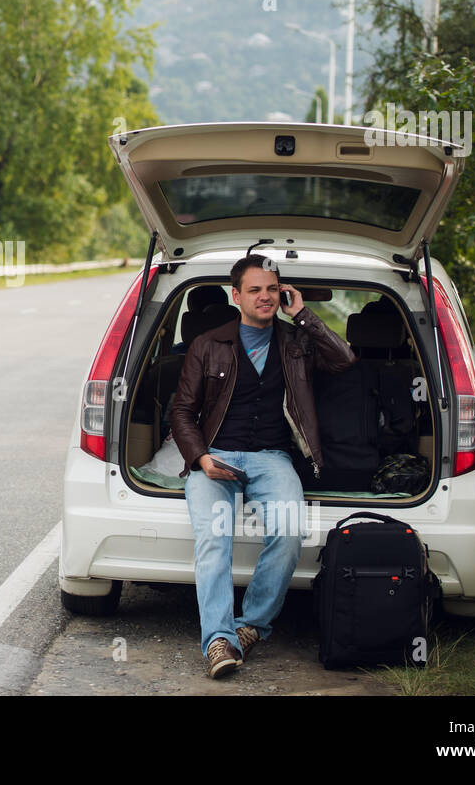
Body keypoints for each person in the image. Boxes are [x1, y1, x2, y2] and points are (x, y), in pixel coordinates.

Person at [168, 254, 356, 678]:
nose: (265, 296)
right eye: (255, 290)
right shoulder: (208, 345)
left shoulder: (296, 342)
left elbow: (344, 360)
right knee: (214, 540)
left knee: (289, 533)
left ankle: (251, 626)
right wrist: (200, 457)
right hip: (214, 455)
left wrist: (303, 314)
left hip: (273, 459)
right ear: (237, 296)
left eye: (272, 289)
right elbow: (181, 410)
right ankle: (218, 640)